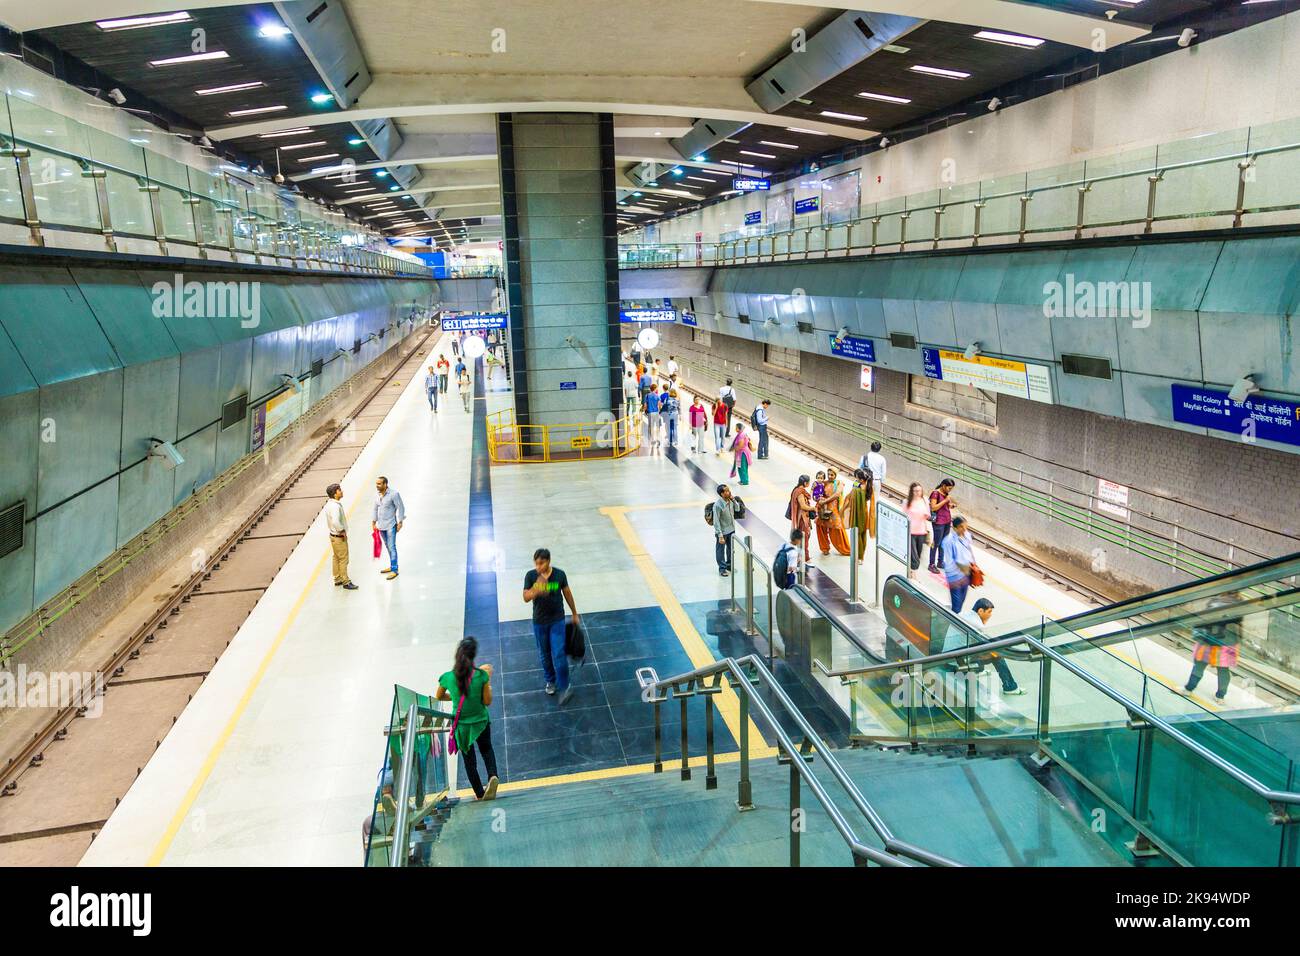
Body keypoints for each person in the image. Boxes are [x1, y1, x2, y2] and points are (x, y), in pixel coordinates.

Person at [434, 637, 499, 800]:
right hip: (481, 721)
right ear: (473, 655)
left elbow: (439, 696)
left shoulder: (448, 677)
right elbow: (487, 701)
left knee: (469, 762)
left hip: (462, 726)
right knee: (486, 749)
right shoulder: (481, 676)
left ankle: (479, 794)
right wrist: (487, 683)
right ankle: (492, 776)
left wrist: (455, 697)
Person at [522, 548, 580, 705]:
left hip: (557, 620)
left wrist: (574, 613)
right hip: (539, 622)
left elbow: (567, 593)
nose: (538, 566)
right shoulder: (531, 576)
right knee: (544, 653)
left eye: (541, 563)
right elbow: (526, 597)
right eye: (536, 563)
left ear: (548, 561)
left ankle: (565, 685)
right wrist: (537, 588)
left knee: (559, 653)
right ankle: (550, 681)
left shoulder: (560, 575)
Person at [1181, 594, 1243, 702]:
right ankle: (1220, 696)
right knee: (1223, 670)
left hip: (1209, 641)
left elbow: (1205, 618)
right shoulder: (1241, 604)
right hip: (1228, 644)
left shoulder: (1215, 601)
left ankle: (1188, 689)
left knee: (1199, 666)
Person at [956, 599, 1024, 696]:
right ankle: (1010, 687)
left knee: (978, 648)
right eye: (989, 612)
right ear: (980, 611)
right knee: (997, 656)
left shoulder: (963, 614)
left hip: (954, 654)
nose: (990, 615)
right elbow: (988, 645)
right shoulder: (977, 625)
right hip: (959, 662)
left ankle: (979, 670)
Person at [324, 483, 357, 590]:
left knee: (336, 557)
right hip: (338, 536)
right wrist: (342, 531)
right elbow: (336, 522)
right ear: (335, 493)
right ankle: (345, 581)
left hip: (332, 536)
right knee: (343, 559)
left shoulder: (330, 504)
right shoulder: (335, 507)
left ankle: (337, 578)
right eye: (339, 490)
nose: (342, 491)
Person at [371, 476, 405, 580]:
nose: (377, 486)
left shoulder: (394, 494)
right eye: (376, 484)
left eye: (379, 484)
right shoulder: (377, 495)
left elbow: (401, 507)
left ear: (385, 484)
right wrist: (373, 522)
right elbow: (375, 509)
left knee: (392, 546)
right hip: (381, 526)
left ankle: (395, 570)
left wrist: (400, 522)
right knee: (387, 546)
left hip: (391, 525)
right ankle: (392, 565)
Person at [940, 516, 976, 613]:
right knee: (956, 607)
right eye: (961, 527)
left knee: (961, 602)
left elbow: (969, 549)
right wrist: (964, 568)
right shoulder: (948, 541)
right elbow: (950, 561)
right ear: (954, 528)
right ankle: (954, 624)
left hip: (966, 575)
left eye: (965, 527)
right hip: (954, 578)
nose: (964, 529)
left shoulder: (967, 535)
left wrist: (974, 563)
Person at [841, 468, 875, 562]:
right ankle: (859, 555)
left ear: (862, 479)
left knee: (859, 533)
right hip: (859, 511)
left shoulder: (862, 488)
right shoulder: (864, 486)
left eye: (857, 478)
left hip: (859, 513)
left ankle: (859, 556)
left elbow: (852, 495)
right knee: (860, 533)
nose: (855, 479)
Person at [928, 479, 957, 574]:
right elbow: (934, 507)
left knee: (943, 543)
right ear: (943, 485)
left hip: (947, 521)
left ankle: (940, 562)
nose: (950, 490)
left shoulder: (945, 494)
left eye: (951, 489)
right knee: (936, 543)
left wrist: (950, 505)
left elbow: (945, 506)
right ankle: (931, 564)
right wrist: (945, 501)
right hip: (939, 522)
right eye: (949, 488)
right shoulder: (935, 493)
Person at [904, 482, 932, 579]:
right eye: (915, 491)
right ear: (912, 491)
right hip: (910, 531)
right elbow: (903, 515)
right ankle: (913, 574)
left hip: (922, 531)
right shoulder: (907, 501)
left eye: (919, 490)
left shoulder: (924, 500)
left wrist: (927, 516)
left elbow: (928, 514)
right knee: (914, 555)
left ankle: (912, 570)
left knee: (919, 554)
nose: (917, 493)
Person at [787, 475, 816, 568]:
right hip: (802, 519)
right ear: (805, 483)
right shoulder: (800, 492)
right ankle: (806, 559)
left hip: (801, 518)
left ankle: (800, 557)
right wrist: (813, 508)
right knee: (805, 538)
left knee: (802, 538)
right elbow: (803, 506)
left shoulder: (797, 490)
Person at [822, 467, 852, 556]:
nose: (830, 476)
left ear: (835, 475)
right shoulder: (824, 483)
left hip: (834, 510)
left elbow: (837, 494)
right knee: (821, 527)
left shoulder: (839, 483)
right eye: (829, 475)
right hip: (823, 509)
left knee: (837, 528)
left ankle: (845, 549)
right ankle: (824, 548)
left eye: (832, 475)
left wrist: (825, 501)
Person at [713, 483, 738, 576]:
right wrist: (720, 535)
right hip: (722, 532)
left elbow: (738, 509)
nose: (729, 492)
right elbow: (716, 521)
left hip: (731, 529)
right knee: (720, 550)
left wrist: (734, 500)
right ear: (722, 494)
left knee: (731, 549)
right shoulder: (717, 505)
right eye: (726, 491)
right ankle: (722, 569)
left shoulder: (730, 501)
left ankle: (729, 565)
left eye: (729, 490)